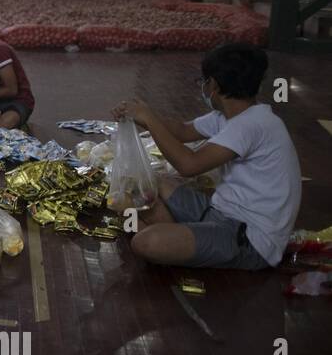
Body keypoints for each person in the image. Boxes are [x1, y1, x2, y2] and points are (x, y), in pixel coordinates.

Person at [111, 42, 300, 270]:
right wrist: (138, 116)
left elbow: (188, 165)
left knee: (144, 241)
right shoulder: (230, 115)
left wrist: (149, 119)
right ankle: (179, 239)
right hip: (220, 212)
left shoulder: (252, 125)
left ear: (213, 86)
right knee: (149, 182)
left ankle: (171, 239)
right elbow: (182, 130)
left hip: (250, 239)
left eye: (203, 81)